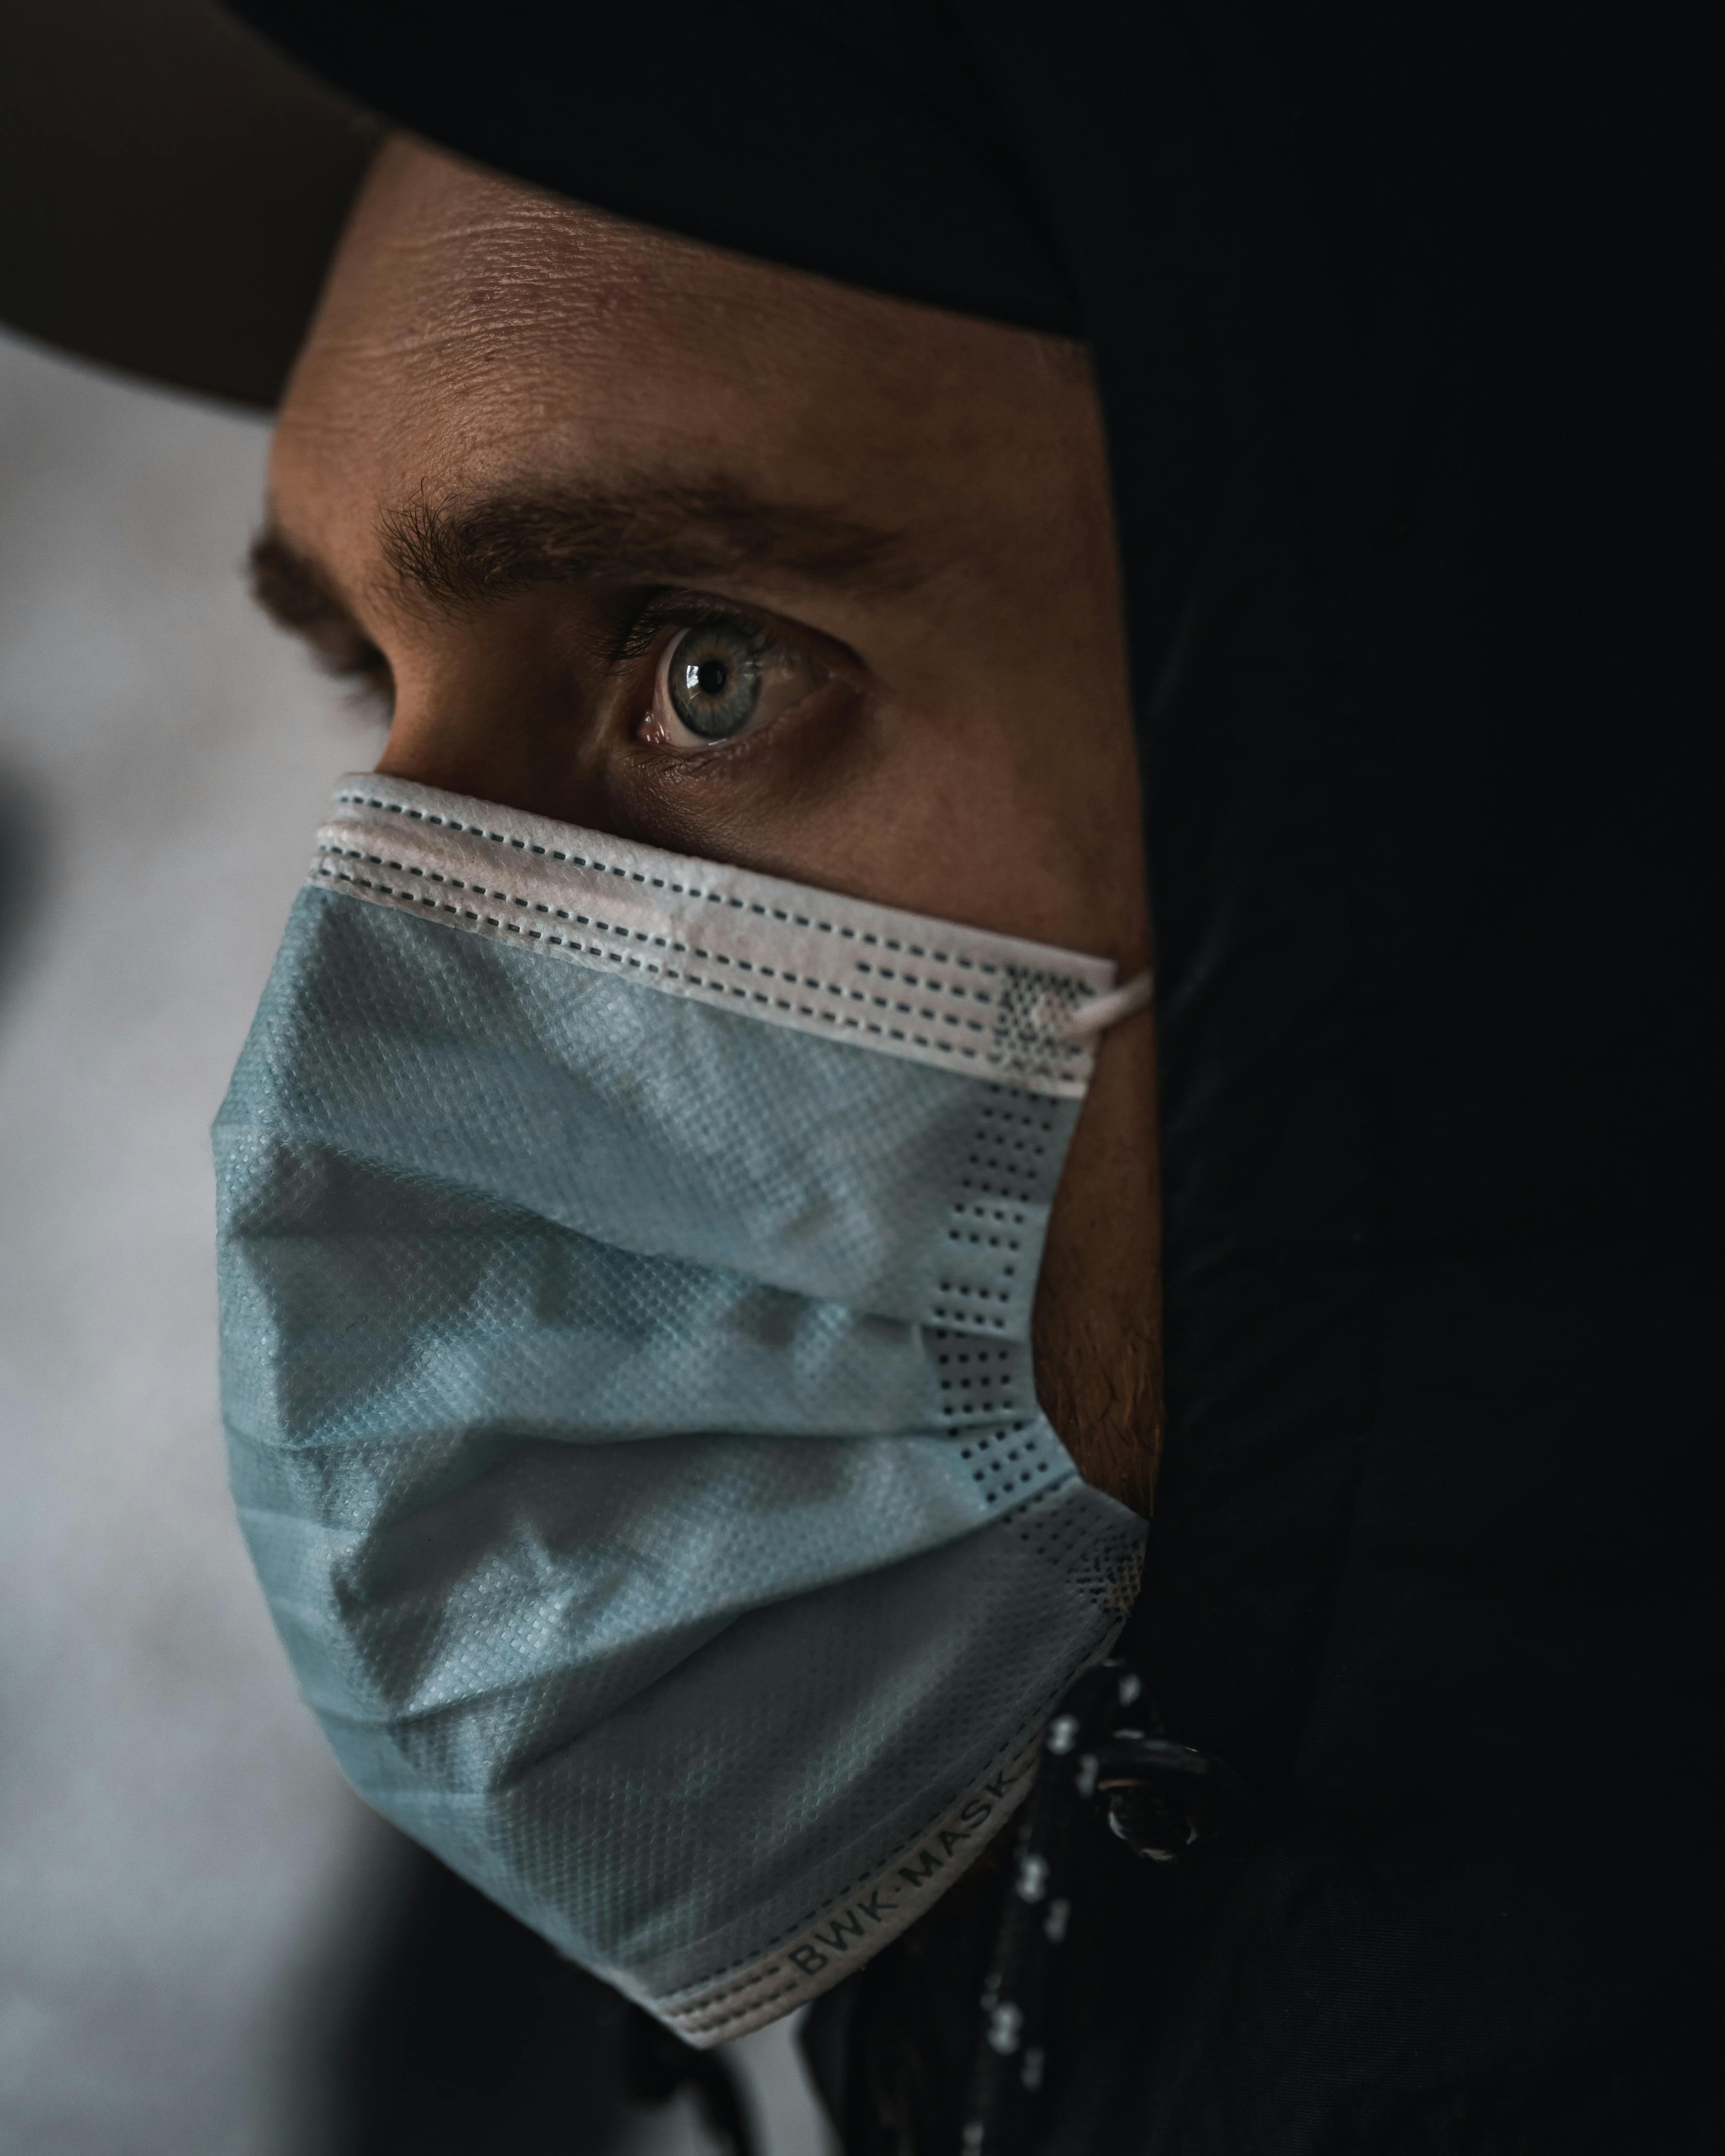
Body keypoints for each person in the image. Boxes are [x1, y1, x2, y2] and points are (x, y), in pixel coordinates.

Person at [3, 4, 1715, 2152]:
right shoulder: (611, 2017)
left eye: (704, 674)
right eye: (377, 692)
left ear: (1454, 738)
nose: (324, 1080)